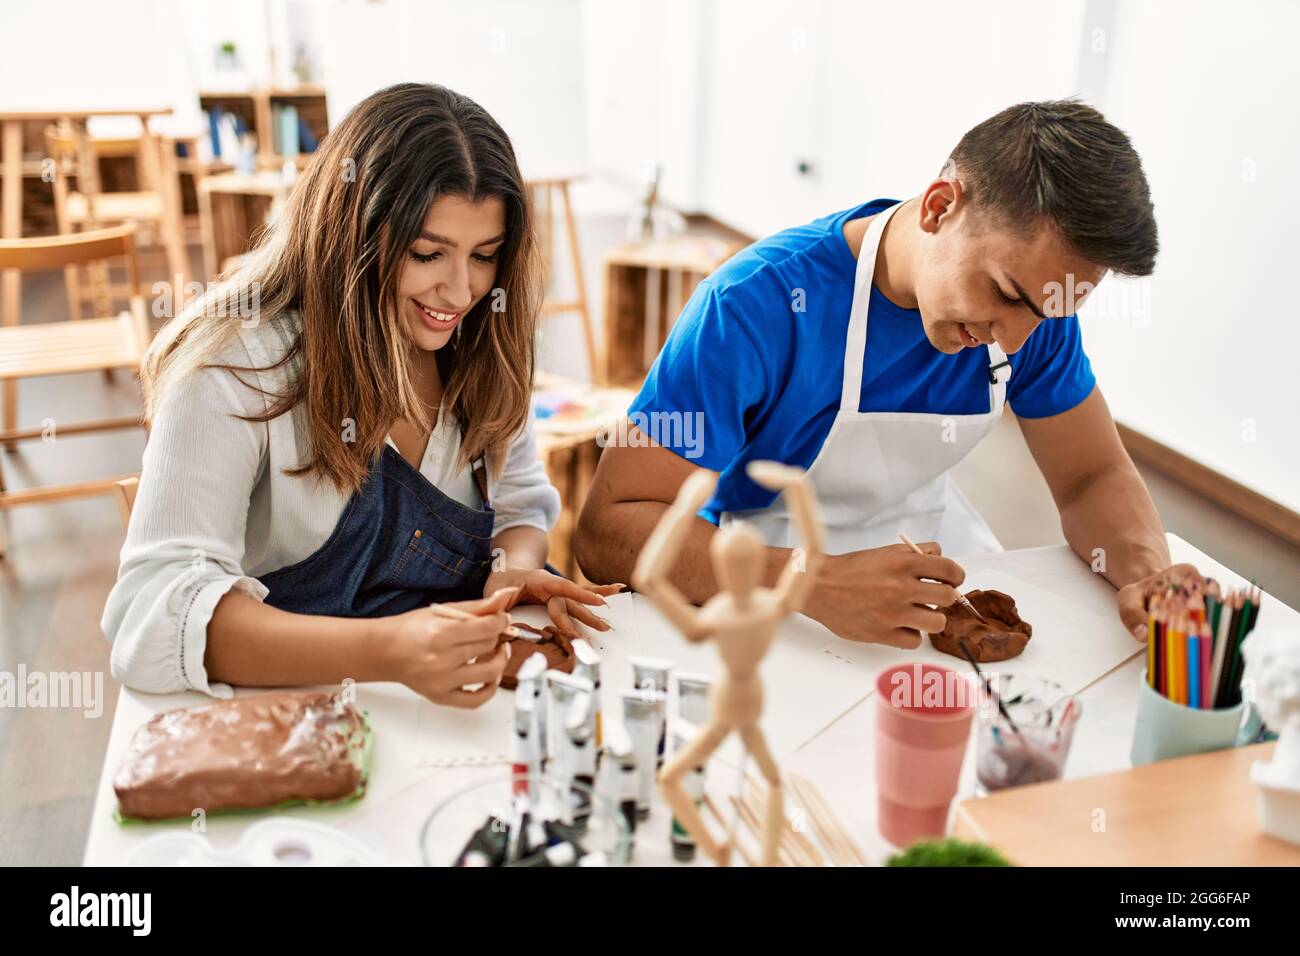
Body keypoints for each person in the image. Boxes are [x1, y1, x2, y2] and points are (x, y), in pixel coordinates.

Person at [577, 100, 1195, 648]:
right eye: (1004, 294)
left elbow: (1092, 475)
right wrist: (808, 582)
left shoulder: (1035, 309)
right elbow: (609, 528)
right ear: (939, 207)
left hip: (938, 570)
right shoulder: (752, 307)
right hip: (760, 589)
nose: (1014, 337)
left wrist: (1148, 571)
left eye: (1049, 311)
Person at [103, 83, 620, 707]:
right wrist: (389, 652)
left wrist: (507, 575)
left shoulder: (485, 343)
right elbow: (153, 619)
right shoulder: (234, 362)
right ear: (351, 236)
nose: (460, 292)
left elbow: (518, 509)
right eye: (428, 254)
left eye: (484, 257)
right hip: (297, 710)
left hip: (455, 707)